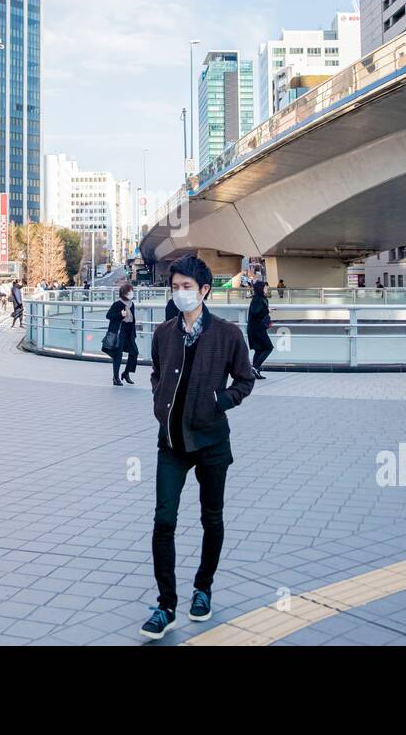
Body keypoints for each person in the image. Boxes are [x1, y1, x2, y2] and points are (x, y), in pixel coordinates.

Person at [141, 255, 255, 640]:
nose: (180, 294)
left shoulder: (227, 334)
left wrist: (219, 401)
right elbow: (157, 372)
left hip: (211, 443)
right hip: (171, 443)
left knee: (212, 518)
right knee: (163, 521)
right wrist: (159, 399)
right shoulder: (163, 333)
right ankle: (166, 605)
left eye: (187, 287)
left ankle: (203, 589)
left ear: (204, 290)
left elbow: (245, 379)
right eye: (175, 287)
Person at [104, 282, 139, 386]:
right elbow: (108, 315)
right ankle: (116, 377)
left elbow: (132, 318)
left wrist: (134, 332)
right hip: (120, 330)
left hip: (130, 331)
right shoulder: (117, 304)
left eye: (132, 291)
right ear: (123, 293)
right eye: (129, 292)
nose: (131, 293)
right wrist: (120, 314)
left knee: (134, 352)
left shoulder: (132, 304)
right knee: (118, 354)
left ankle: (126, 373)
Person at [247, 279, 274, 379]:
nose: (267, 289)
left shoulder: (261, 298)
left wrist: (267, 310)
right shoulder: (257, 299)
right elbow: (256, 313)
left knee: (259, 350)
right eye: (265, 287)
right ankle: (255, 367)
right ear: (260, 288)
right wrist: (267, 310)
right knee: (268, 348)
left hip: (256, 327)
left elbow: (258, 311)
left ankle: (254, 372)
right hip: (257, 328)